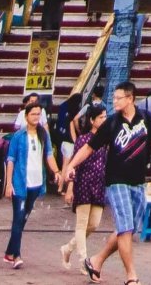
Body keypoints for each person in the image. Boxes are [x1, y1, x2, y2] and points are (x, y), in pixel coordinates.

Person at [71, 83, 151, 284]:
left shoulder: (147, 119)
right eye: (113, 98)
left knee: (129, 228)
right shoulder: (111, 123)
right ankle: (131, 276)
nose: (114, 101)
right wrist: (71, 165)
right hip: (116, 181)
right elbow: (89, 148)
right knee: (125, 229)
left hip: (138, 182)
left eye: (118, 98)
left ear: (130, 98)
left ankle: (96, 261)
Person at [2, 100, 58, 271]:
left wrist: (57, 171)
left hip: (36, 182)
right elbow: (11, 160)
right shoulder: (19, 136)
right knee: (18, 217)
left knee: (24, 217)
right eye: (33, 114)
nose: (36, 117)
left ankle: (9, 251)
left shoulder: (43, 135)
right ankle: (16, 255)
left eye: (38, 114)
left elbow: (48, 155)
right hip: (20, 182)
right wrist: (8, 183)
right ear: (26, 116)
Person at [58, 106, 107, 274]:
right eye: (100, 117)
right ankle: (83, 260)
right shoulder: (83, 139)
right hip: (84, 183)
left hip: (99, 185)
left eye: (105, 117)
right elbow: (75, 166)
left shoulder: (107, 140)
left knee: (94, 224)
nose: (104, 120)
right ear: (92, 120)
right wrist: (70, 187)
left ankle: (68, 248)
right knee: (82, 223)